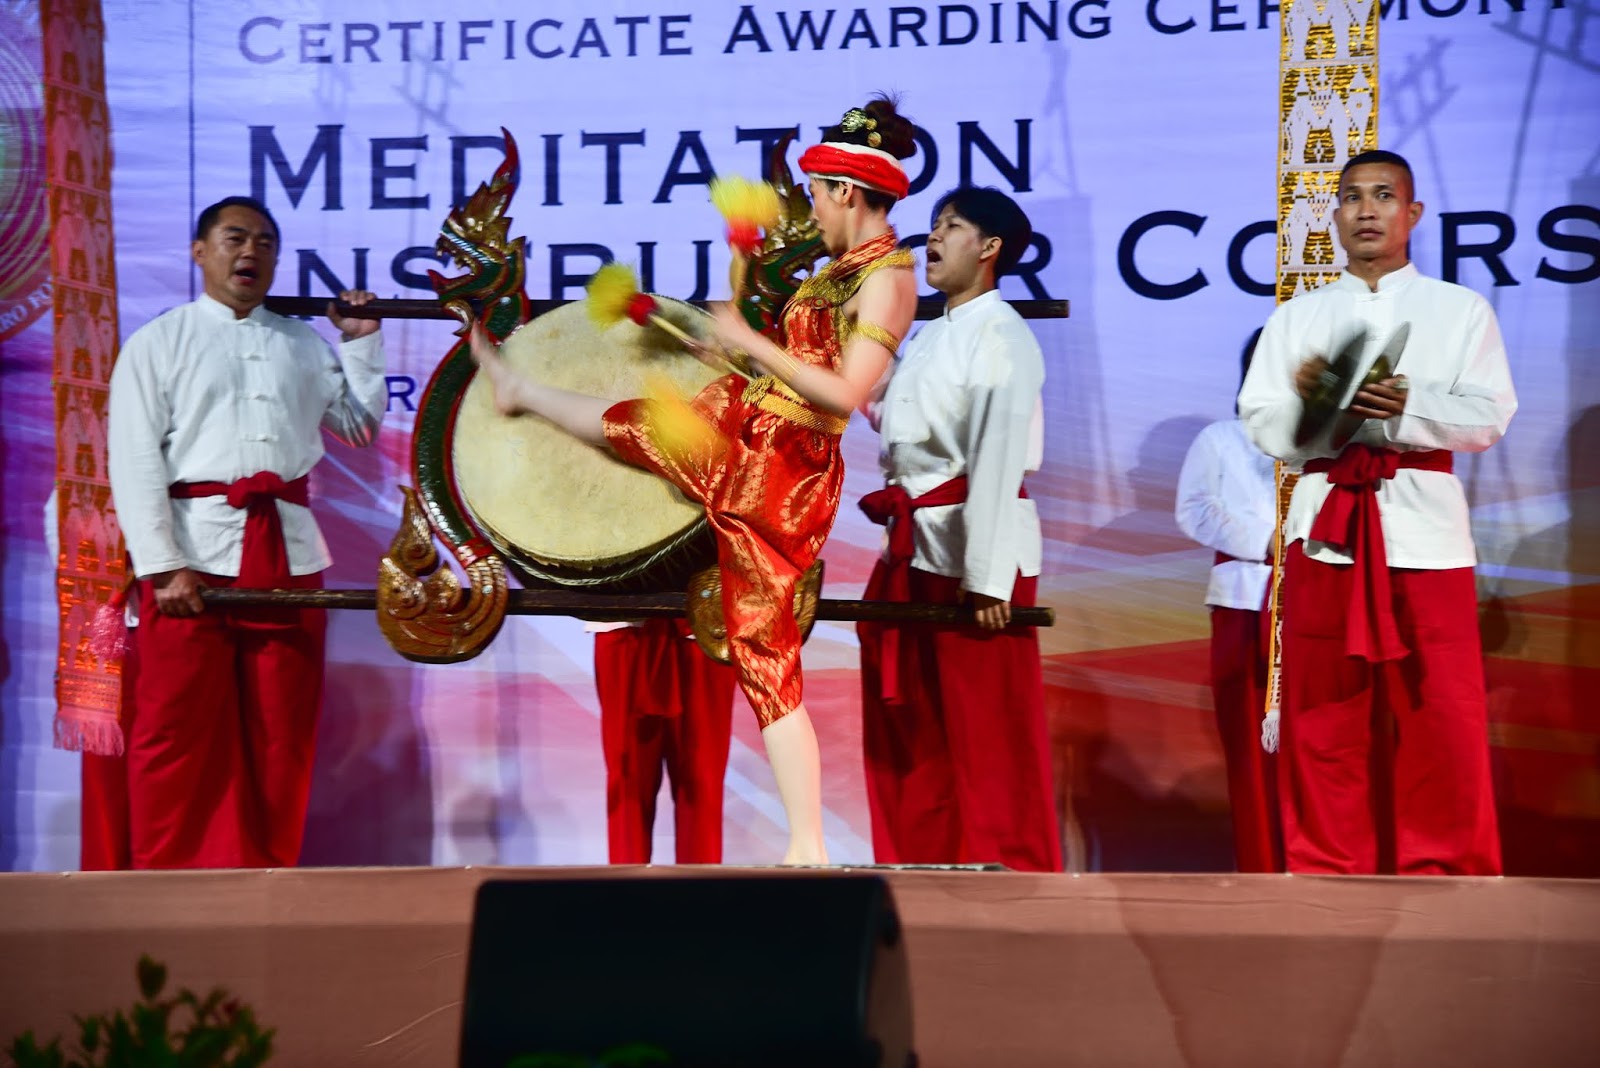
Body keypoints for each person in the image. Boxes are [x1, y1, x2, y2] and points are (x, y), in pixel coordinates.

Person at [472, 98, 920, 865]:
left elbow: (845, 394)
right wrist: (731, 354)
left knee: (762, 648)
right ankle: (521, 391)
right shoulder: (840, 274)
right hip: (755, 423)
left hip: (785, 471)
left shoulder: (889, 279)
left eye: (817, 194)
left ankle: (809, 844)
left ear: (848, 191)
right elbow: (803, 366)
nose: (811, 209)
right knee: (645, 422)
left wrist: (752, 341)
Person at [1237, 150, 1515, 875]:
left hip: (1426, 533)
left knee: (1440, 713)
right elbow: (1262, 422)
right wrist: (1325, 408)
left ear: (1412, 213)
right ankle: (1329, 868)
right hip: (1327, 530)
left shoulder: (1460, 309)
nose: (1367, 210)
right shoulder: (1299, 317)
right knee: (1325, 714)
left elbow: (1489, 417)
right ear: (1333, 215)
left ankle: (1448, 872)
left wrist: (1405, 404)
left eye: (1384, 195)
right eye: (1353, 197)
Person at [107, 195, 386, 869]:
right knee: (174, 728)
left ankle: (266, 876)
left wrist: (360, 341)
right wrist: (161, 566)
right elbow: (135, 460)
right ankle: (166, 883)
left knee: (281, 728)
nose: (251, 251)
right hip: (189, 561)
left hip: (287, 556)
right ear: (200, 251)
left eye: (265, 242)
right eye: (235, 238)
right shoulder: (158, 343)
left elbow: (358, 427)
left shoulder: (301, 343)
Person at [856, 186, 1061, 872]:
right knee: (919, 732)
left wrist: (988, 577)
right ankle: (923, 874)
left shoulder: (1002, 336)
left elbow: (998, 458)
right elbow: (899, 421)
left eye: (952, 225)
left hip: (975, 552)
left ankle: (1014, 883)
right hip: (916, 547)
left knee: (989, 737)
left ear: (990, 247)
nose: (934, 237)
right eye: (934, 224)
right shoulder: (934, 333)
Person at [1175, 329, 1284, 873]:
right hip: (1245, 605)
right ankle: (1262, 866)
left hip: (1316, 605)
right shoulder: (1222, 438)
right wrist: (1268, 543)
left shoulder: (1329, 445)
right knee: (1251, 747)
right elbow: (1195, 509)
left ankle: (1322, 864)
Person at [590, 619, 736, 864]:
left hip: (706, 627)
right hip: (623, 626)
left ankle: (703, 887)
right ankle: (624, 886)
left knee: (700, 786)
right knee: (628, 786)